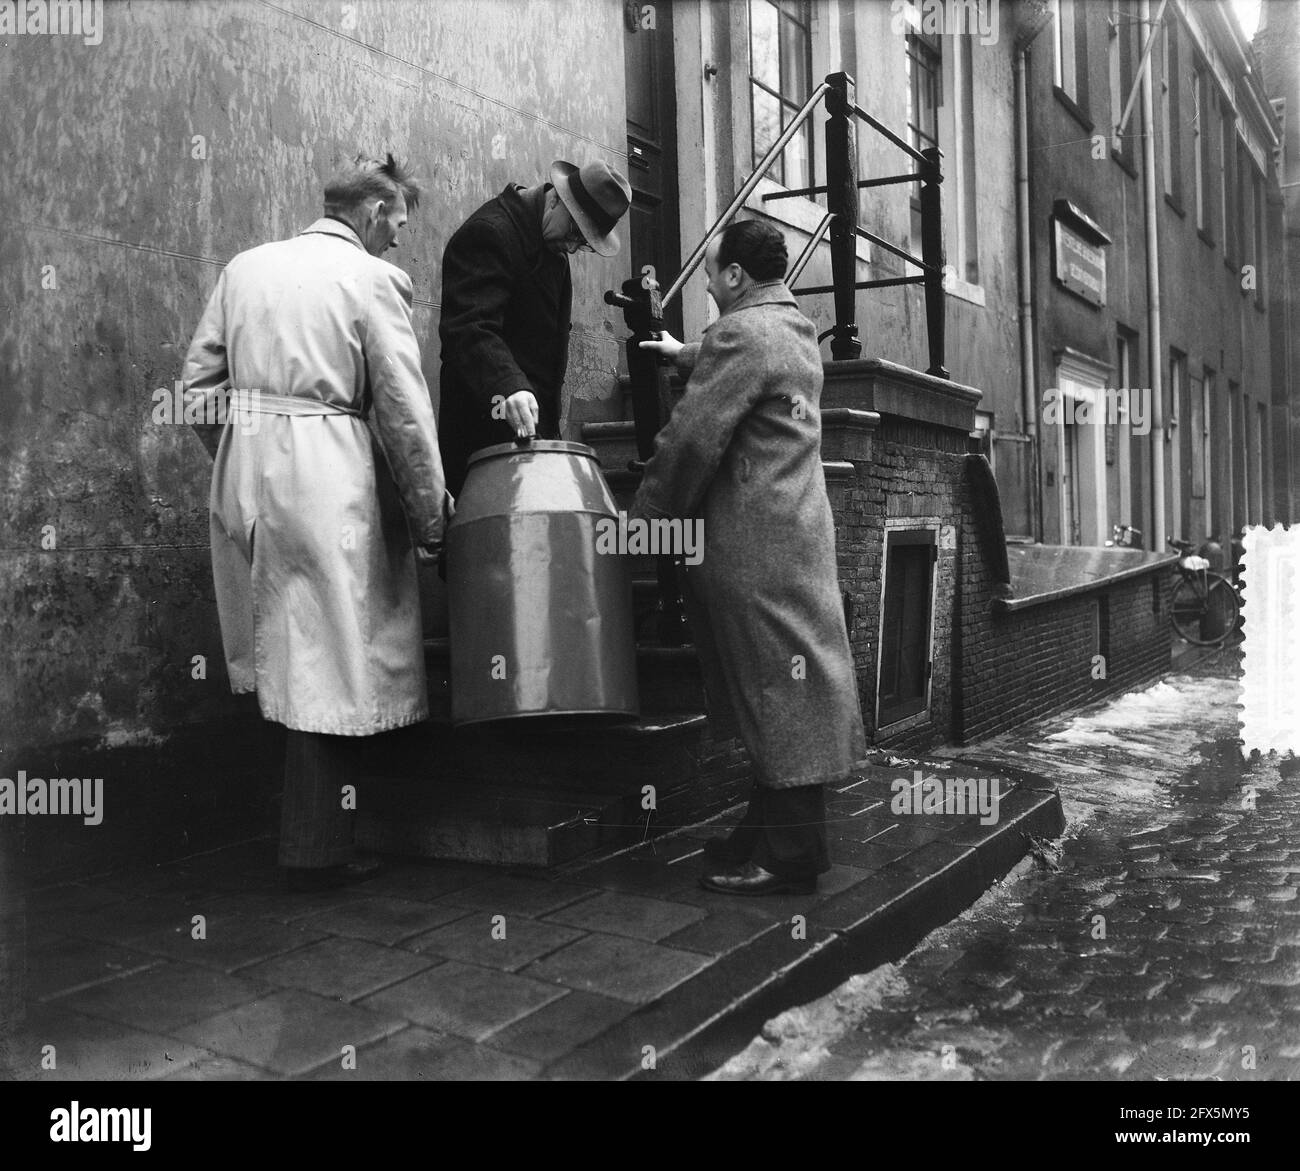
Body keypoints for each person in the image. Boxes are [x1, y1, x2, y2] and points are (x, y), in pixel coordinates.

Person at [181, 153, 451, 891]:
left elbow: (197, 389)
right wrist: (431, 518)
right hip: (330, 478)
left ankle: (303, 830)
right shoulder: (371, 281)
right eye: (397, 222)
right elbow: (402, 412)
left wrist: (241, 455)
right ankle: (315, 846)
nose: (399, 239)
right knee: (333, 661)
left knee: (286, 647)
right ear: (370, 212)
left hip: (250, 477)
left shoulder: (246, 268)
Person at [633, 219, 866, 896]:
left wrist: (644, 522)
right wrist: (683, 352)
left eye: (711, 272)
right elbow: (741, 359)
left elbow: (692, 440)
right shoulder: (791, 327)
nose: (705, 281)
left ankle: (790, 856)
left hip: (751, 540)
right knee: (781, 684)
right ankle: (765, 830)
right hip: (795, 530)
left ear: (735, 276)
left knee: (775, 688)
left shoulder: (743, 334)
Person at [437, 158, 632, 494]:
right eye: (575, 232)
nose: (572, 246)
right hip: (484, 436)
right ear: (555, 199)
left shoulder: (552, 247)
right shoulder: (489, 233)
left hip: (531, 436)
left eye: (582, 243)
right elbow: (469, 328)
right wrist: (510, 386)